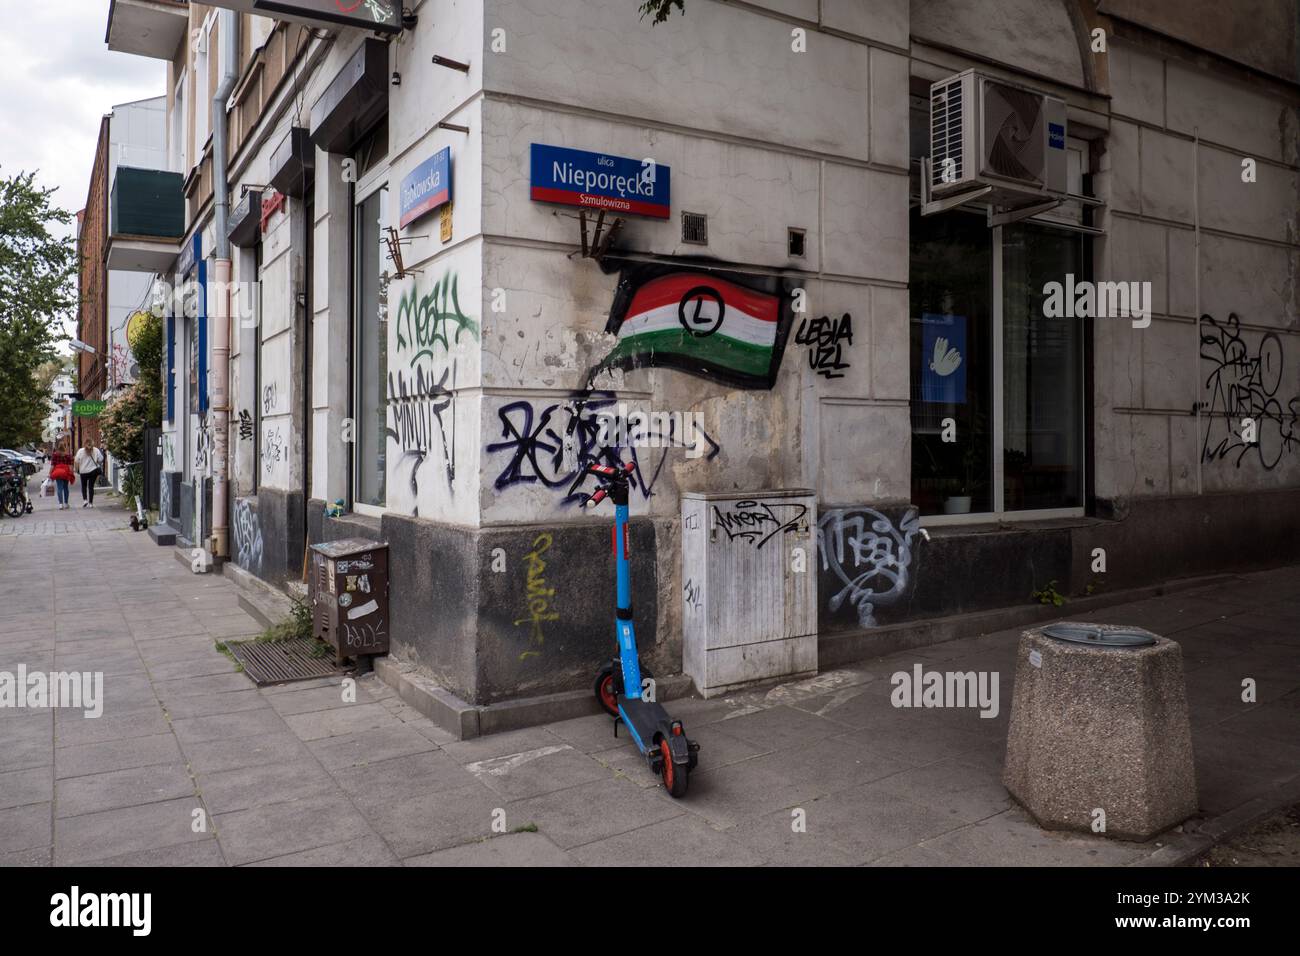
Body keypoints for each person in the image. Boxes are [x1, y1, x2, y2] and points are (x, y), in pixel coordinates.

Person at [74, 440, 103, 508]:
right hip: (93, 471)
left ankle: (85, 500)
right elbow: (101, 459)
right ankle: (91, 503)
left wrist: (76, 469)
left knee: (84, 486)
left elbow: (76, 461)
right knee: (91, 487)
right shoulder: (96, 450)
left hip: (83, 471)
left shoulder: (80, 451)